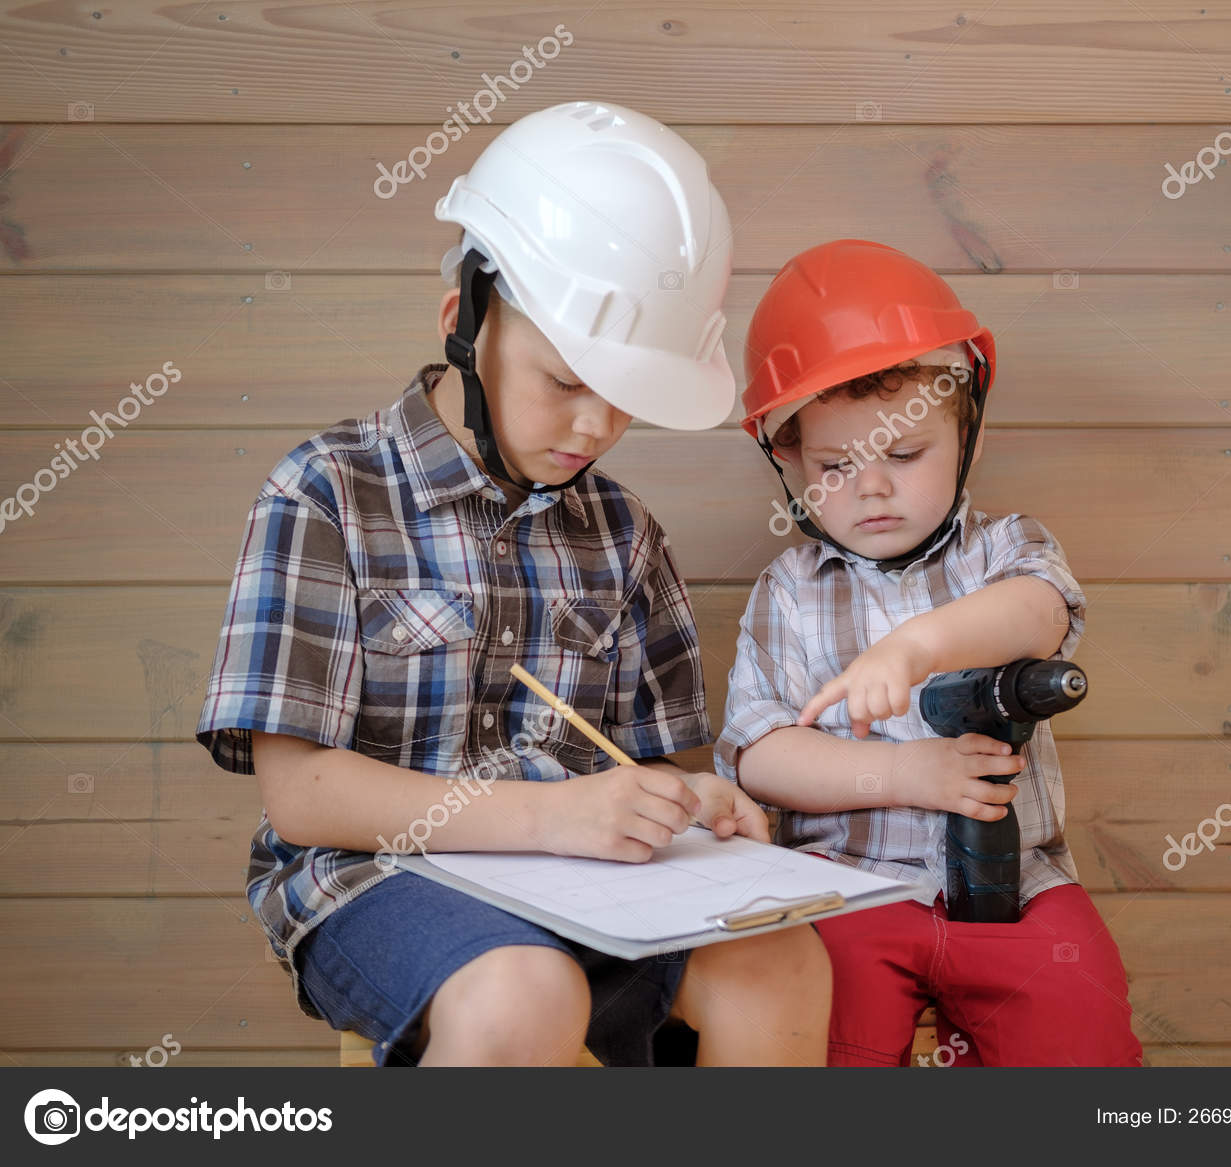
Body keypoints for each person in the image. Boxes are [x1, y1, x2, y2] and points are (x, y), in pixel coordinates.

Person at [196, 101, 831, 1067]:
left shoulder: (622, 534)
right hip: (376, 879)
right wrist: (550, 816)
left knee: (783, 960)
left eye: (625, 398)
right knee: (522, 991)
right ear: (465, 323)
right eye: (565, 379)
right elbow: (303, 796)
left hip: (587, 881)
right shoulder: (326, 493)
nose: (594, 425)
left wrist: (690, 799)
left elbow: (654, 765)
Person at [715, 238, 1143, 1067]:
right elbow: (759, 754)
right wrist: (905, 774)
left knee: (1080, 1019)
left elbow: (1042, 610)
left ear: (967, 439)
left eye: (904, 454)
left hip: (1018, 889)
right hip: (847, 890)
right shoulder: (790, 590)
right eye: (835, 465)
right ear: (791, 464)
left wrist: (916, 647)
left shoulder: (1001, 551)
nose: (871, 486)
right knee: (821, 1028)